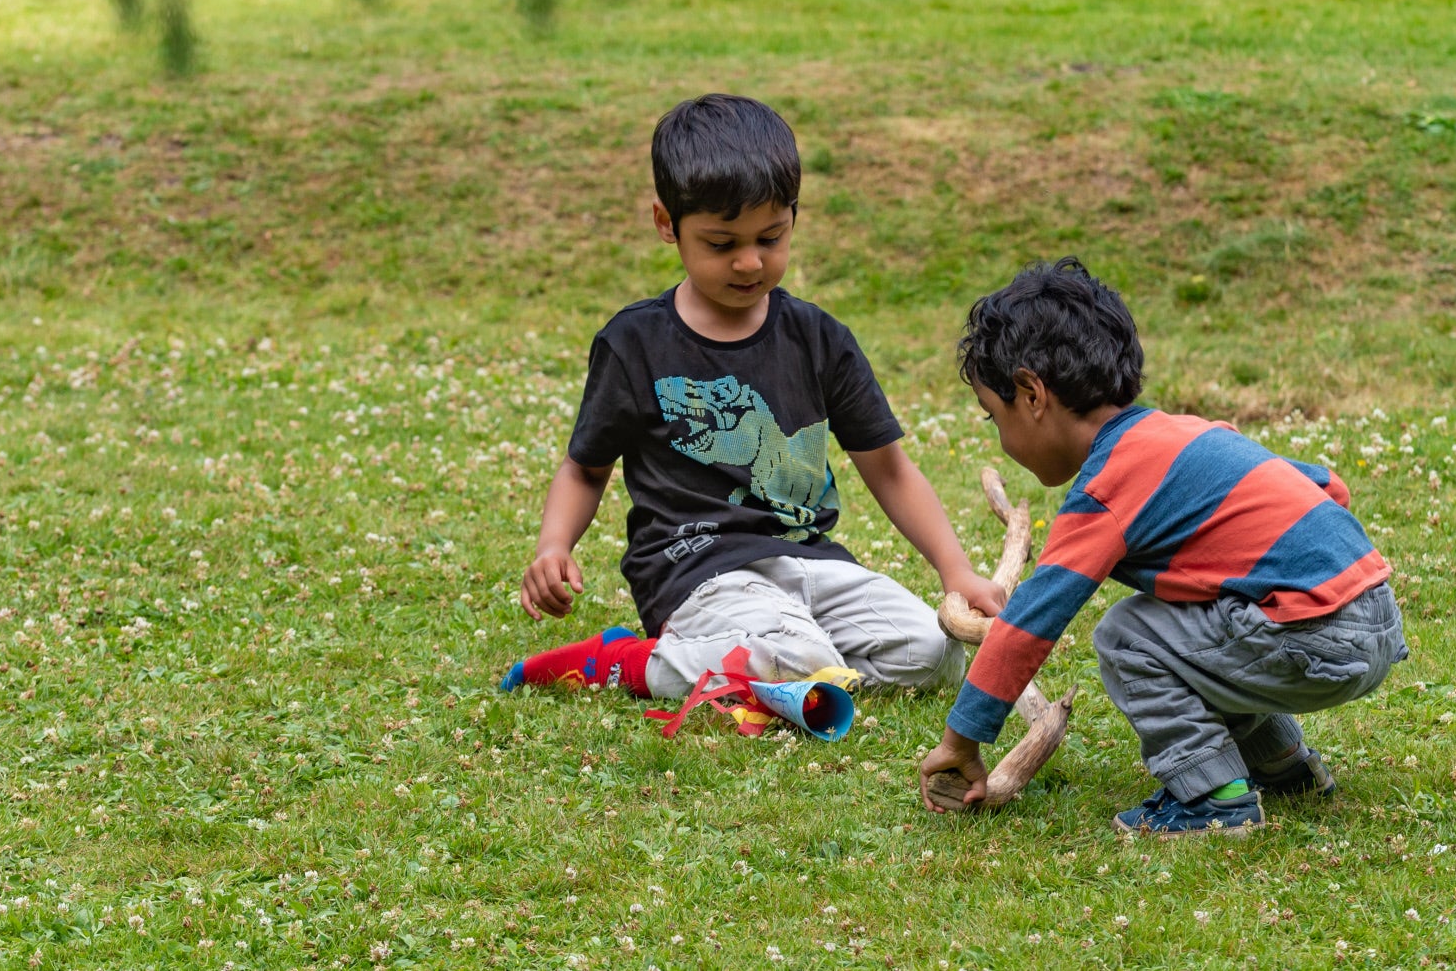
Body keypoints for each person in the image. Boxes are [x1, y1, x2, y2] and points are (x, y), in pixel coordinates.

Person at [504, 95, 1007, 708]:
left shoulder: (820, 339)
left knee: (933, 653)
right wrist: (553, 547)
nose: (749, 261)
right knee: (807, 656)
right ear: (668, 224)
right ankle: (627, 663)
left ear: (794, 215)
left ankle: (767, 672)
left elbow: (891, 470)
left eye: (771, 237)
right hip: (698, 572)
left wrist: (956, 573)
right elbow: (585, 468)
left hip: (812, 565)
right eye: (721, 244)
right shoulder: (634, 343)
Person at [917, 259, 1405, 836]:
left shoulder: (1109, 486)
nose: (999, 436)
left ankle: (1214, 801)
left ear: (1031, 394)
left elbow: (1030, 623)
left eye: (993, 415)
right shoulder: (1190, 434)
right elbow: (1328, 488)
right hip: (1375, 611)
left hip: (1316, 636)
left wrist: (961, 738)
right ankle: (1283, 767)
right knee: (1192, 629)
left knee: (1129, 636)